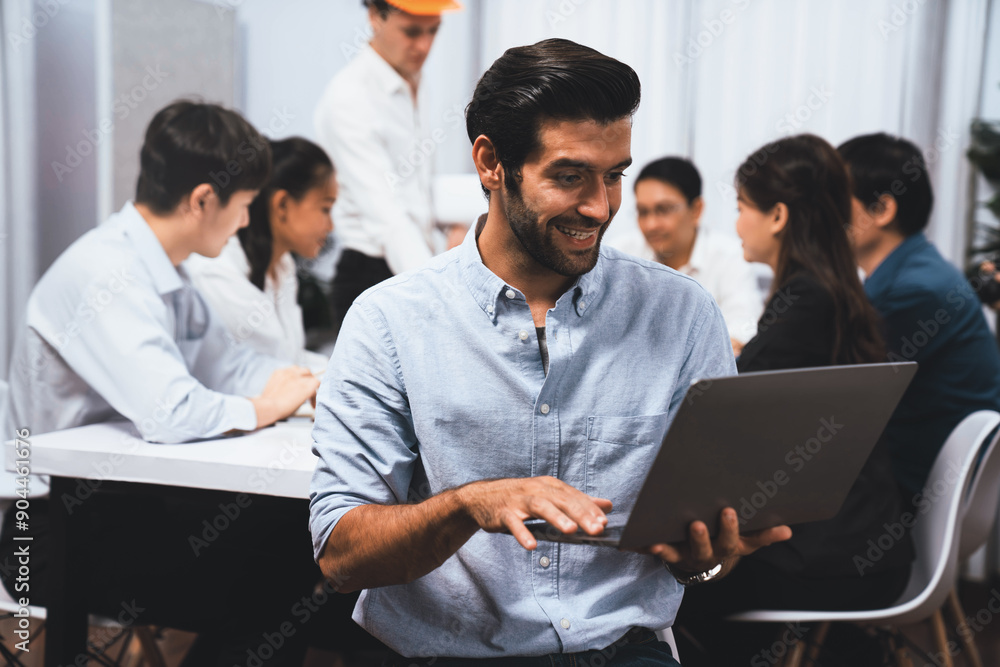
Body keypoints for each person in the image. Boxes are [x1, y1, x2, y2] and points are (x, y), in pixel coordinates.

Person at [308, 38, 790, 663]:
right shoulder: (389, 322)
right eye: (569, 176)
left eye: (614, 175)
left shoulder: (682, 316)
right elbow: (342, 557)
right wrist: (468, 505)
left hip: (621, 648)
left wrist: (706, 561)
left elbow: (708, 553)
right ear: (491, 163)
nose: (600, 206)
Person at [3, 101, 325, 666]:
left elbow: (227, 367)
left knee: (294, 545)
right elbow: (171, 412)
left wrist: (308, 383)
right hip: (43, 532)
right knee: (281, 569)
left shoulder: (166, 271)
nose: (247, 223)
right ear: (204, 200)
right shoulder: (107, 272)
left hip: (118, 505)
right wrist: (262, 408)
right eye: (245, 205)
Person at [673, 134, 914, 666]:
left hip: (832, 559)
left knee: (666, 588)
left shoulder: (807, 299)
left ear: (777, 216)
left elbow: (725, 403)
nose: (736, 223)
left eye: (741, 208)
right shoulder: (832, 289)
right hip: (862, 543)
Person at [837, 133, 1000, 500]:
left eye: (834, 197)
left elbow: (836, 390)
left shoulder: (912, 292)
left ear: (881, 209)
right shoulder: (916, 270)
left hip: (910, 490)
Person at [314, 0, 465, 334]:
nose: (424, 46)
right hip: (372, 275)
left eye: (433, 31)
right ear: (374, 17)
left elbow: (416, 191)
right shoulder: (350, 98)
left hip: (415, 263)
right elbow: (388, 216)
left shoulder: (415, 79)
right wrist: (442, 289)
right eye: (411, 32)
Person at [188, 137, 335, 374]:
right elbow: (275, 369)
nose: (331, 226)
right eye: (325, 209)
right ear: (282, 205)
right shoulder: (218, 270)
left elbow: (291, 357)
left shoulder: (283, 265)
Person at [618, 157, 762, 354]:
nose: (651, 224)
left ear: (696, 209)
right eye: (643, 212)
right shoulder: (622, 254)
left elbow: (743, 328)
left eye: (664, 210)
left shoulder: (729, 257)